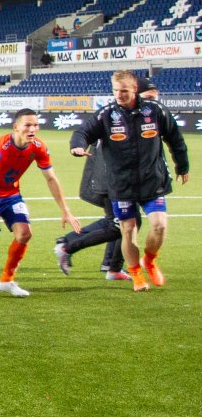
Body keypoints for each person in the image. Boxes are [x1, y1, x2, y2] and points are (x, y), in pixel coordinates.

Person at [71, 70, 190, 292]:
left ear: (134, 89)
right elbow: (83, 132)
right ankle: (135, 272)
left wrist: (182, 166)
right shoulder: (106, 115)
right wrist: (77, 146)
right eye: (115, 90)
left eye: (124, 90)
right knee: (128, 229)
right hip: (121, 184)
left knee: (160, 225)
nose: (119, 95)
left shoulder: (155, 111)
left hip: (151, 181)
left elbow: (175, 138)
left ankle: (150, 260)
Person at [0, 109, 80, 297]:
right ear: (16, 127)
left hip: (11, 194)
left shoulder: (38, 147)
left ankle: (6, 280)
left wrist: (65, 210)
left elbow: (51, 178)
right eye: (27, 125)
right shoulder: (0, 147)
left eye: (35, 125)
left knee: (24, 234)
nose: (32, 129)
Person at [54, 77, 161, 280]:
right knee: (123, 223)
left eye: (155, 98)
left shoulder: (146, 115)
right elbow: (83, 132)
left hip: (129, 179)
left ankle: (111, 267)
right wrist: (78, 146)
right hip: (110, 179)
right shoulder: (114, 115)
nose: (153, 103)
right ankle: (67, 245)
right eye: (149, 98)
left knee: (123, 221)